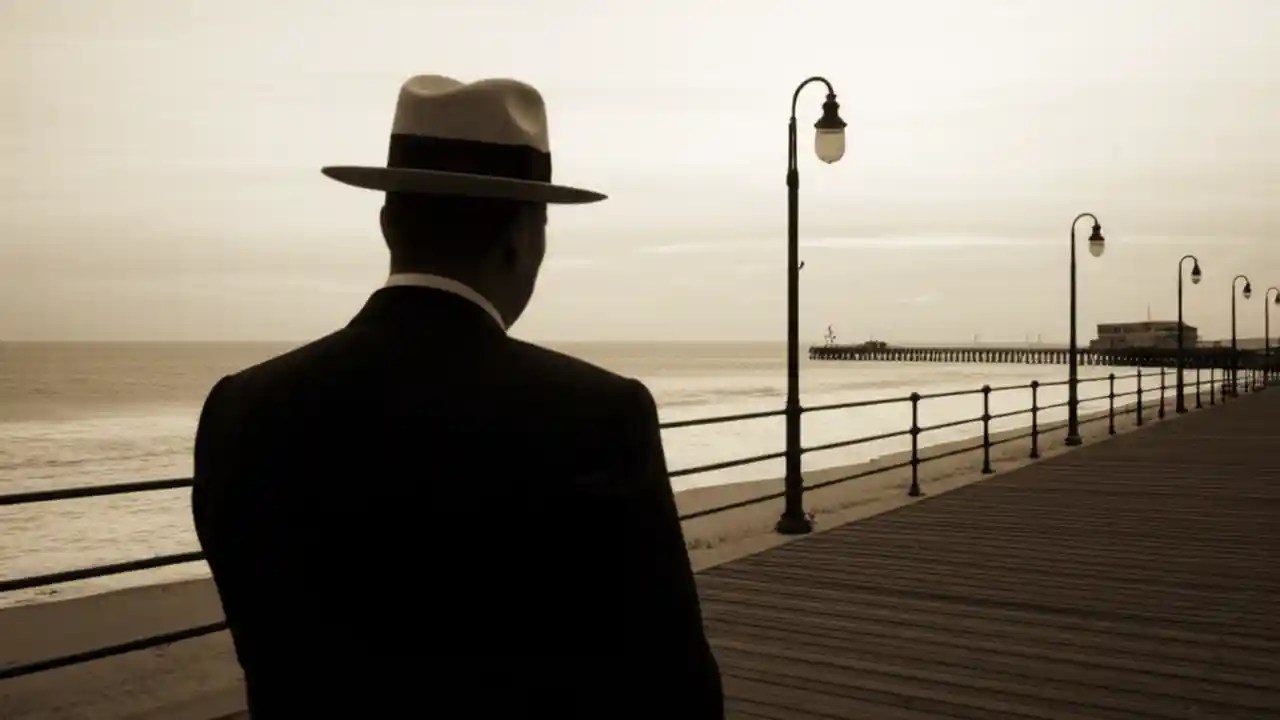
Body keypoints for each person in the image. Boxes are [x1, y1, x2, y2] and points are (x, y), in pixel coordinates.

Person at [190, 75, 723, 718]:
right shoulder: (597, 417)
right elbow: (676, 685)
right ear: (524, 238)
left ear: (388, 223)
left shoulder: (241, 410)